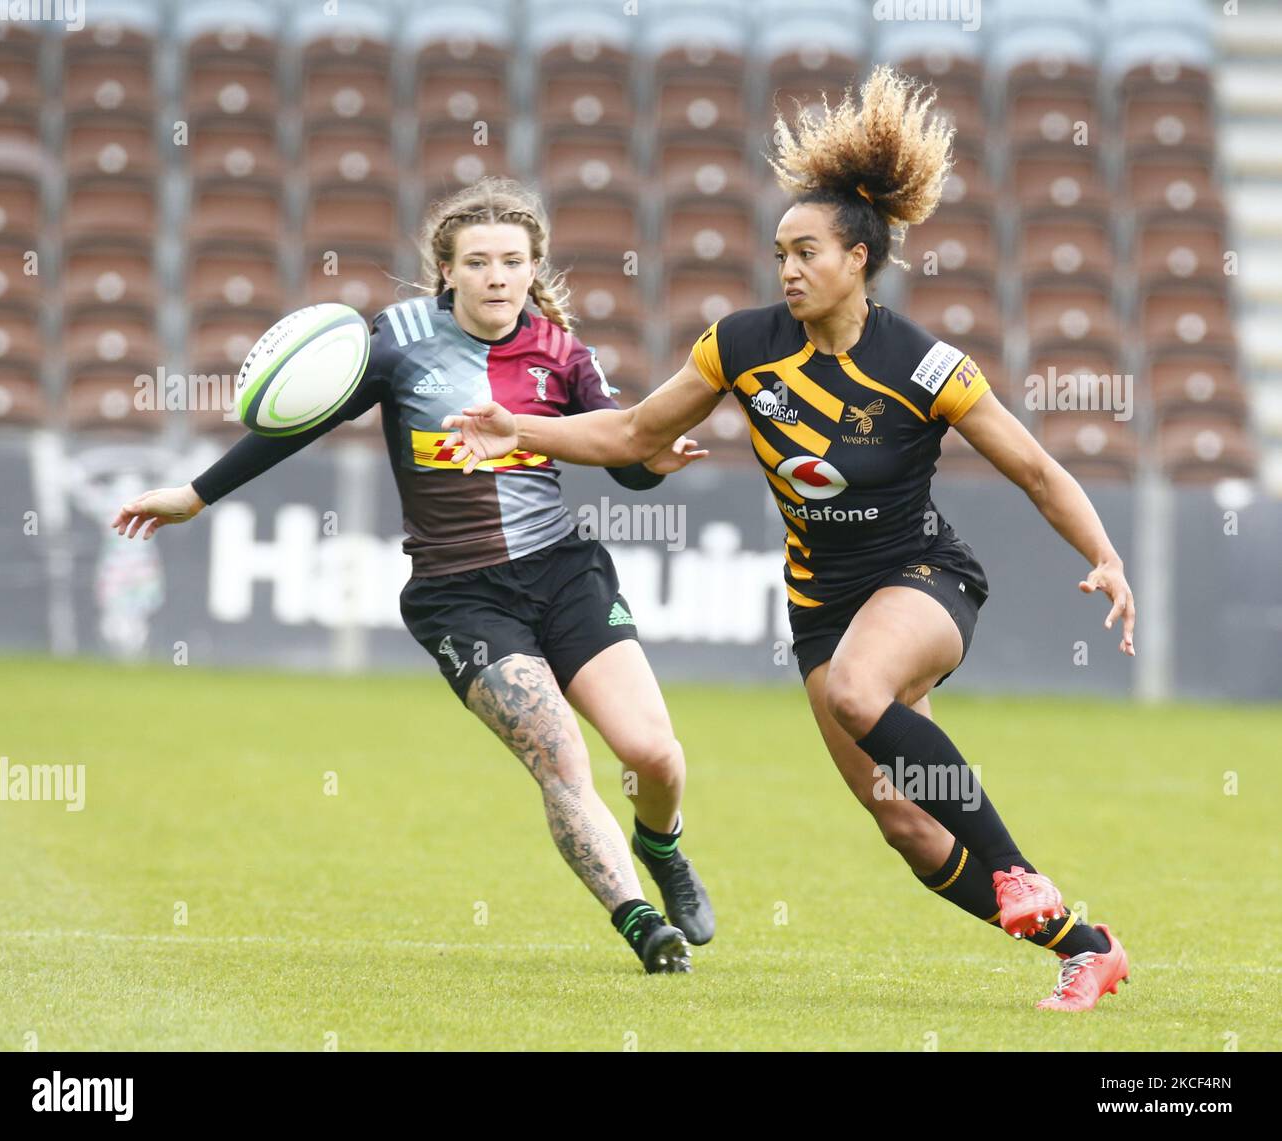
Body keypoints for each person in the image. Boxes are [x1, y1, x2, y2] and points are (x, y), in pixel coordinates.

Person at [442, 69, 1135, 1011]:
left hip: (923, 579)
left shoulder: (924, 364)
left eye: (807, 251)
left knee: (860, 691)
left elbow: (1039, 473)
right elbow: (632, 435)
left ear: (859, 258)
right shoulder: (740, 343)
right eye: (780, 253)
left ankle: (1019, 873)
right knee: (905, 822)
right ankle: (1086, 947)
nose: (788, 270)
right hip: (820, 608)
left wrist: (1103, 555)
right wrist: (521, 429)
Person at [110, 177, 715, 974]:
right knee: (561, 757)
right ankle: (641, 922)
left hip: (565, 574)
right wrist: (195, 493)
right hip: (460, 595)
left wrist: (655, 465)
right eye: (479, 261)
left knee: (656, 756)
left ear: (533, 269)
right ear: (448, 270)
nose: (497, 275)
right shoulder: (392, 341)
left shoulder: (566, 356)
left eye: (512, 260)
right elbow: (300, 422)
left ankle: (662, 849)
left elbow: (622, 457)